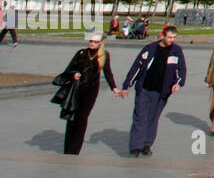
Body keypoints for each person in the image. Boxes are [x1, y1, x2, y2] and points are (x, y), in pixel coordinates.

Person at [122, 24, 187, 157]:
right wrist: (126, 85)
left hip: (162, 91)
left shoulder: (176, 51)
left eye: (174, 38)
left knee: (153, 118)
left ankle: (146, 144)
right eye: (169, 37)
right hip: (144, 88)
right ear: (162, 36)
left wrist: (178, 83)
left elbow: (182, 69)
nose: (172, 40)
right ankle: (135, 147)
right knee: (140, 117)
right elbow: (136, 67)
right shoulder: (149, 49)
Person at [56, 33, 125, 154]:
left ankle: (74, 149)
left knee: (82, 118)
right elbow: (69, 69)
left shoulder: (104, 55)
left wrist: (114, 88)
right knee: (72, 118)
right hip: (77, 89)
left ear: (100, 43)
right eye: (90, 41)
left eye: (95, 41)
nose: (92, 43)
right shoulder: (81, 53)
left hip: (91, 91)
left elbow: (108, 73)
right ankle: (67, 148)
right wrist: (74, 74)